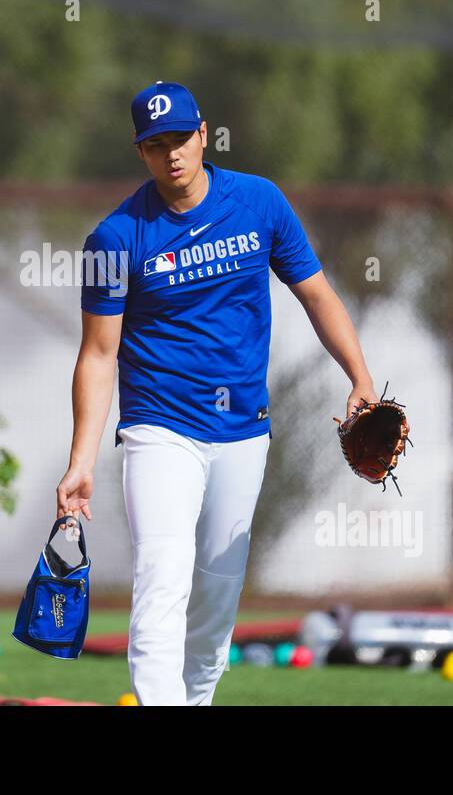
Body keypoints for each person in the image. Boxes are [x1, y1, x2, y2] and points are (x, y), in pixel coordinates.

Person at [56, 80, 377, 705]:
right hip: (159, 427)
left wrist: (360, 378)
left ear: (204, 134)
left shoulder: (260, 203)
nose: (171, 153)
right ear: (139, 151)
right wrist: (81, 460)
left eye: (179, 138)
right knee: (162, 575)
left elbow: (316, 294)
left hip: (242, 430)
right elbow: (97, 355)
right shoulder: (115, 238)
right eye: (155, 145)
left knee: (217, 592)